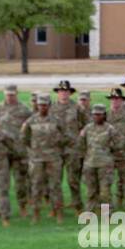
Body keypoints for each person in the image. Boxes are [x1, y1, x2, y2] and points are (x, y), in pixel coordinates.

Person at [21, 93, 68, 223]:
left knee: (55, 186)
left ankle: (58, 213)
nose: (42, 107)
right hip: (37, 159)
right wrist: (33, 149)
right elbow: (24, 137)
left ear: (49, 106)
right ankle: (36, 214)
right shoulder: (31, 121)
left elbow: (65, 136)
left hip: (53, 158)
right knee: (36, 185)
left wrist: (57, 145)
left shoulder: (56, 120)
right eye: (40, 105)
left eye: (45, 105)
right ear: (37, 105)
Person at [0, 84, 32, 216]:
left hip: (19, 151)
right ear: (4, 94)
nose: (10, 97)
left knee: (21, 182)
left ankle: (23, 207)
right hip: (3, 152)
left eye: (12, 95)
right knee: (2, 182)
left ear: (17, 94)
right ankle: (2, 208)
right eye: (8, 95)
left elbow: (31, 127)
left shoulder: (24, 110)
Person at [52, 80, 86, 211]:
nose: (63, 93)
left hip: (73, 148)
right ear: (58, 93)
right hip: (56, 148)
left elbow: (87, 123)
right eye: (61, 91)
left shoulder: (77, 108)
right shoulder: (51, 108)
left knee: (73, 179)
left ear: (70, 93)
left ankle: (77, 205)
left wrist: (81, 136)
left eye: (66, 91)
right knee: (55, 180)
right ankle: (56, 207)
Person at [77, 104, 117, 213]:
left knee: (105, 192)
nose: (96, 117)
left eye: (99, 115)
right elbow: (81, 144)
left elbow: (117, 146)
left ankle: (107, 214)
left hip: (105, 166)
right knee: (91, 191)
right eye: (94, 115)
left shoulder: (110, 129)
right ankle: (89, 214)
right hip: (90, 164)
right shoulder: (87, 128)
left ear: (104, 115)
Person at [106, 88, 125, 211]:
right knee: (106, 182)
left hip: (124, 154)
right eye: (113, 99)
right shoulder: (105, 116)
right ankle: (108, 208)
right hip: (108, 155)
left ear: (122, 101)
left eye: (117, 99)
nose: (115, 101)